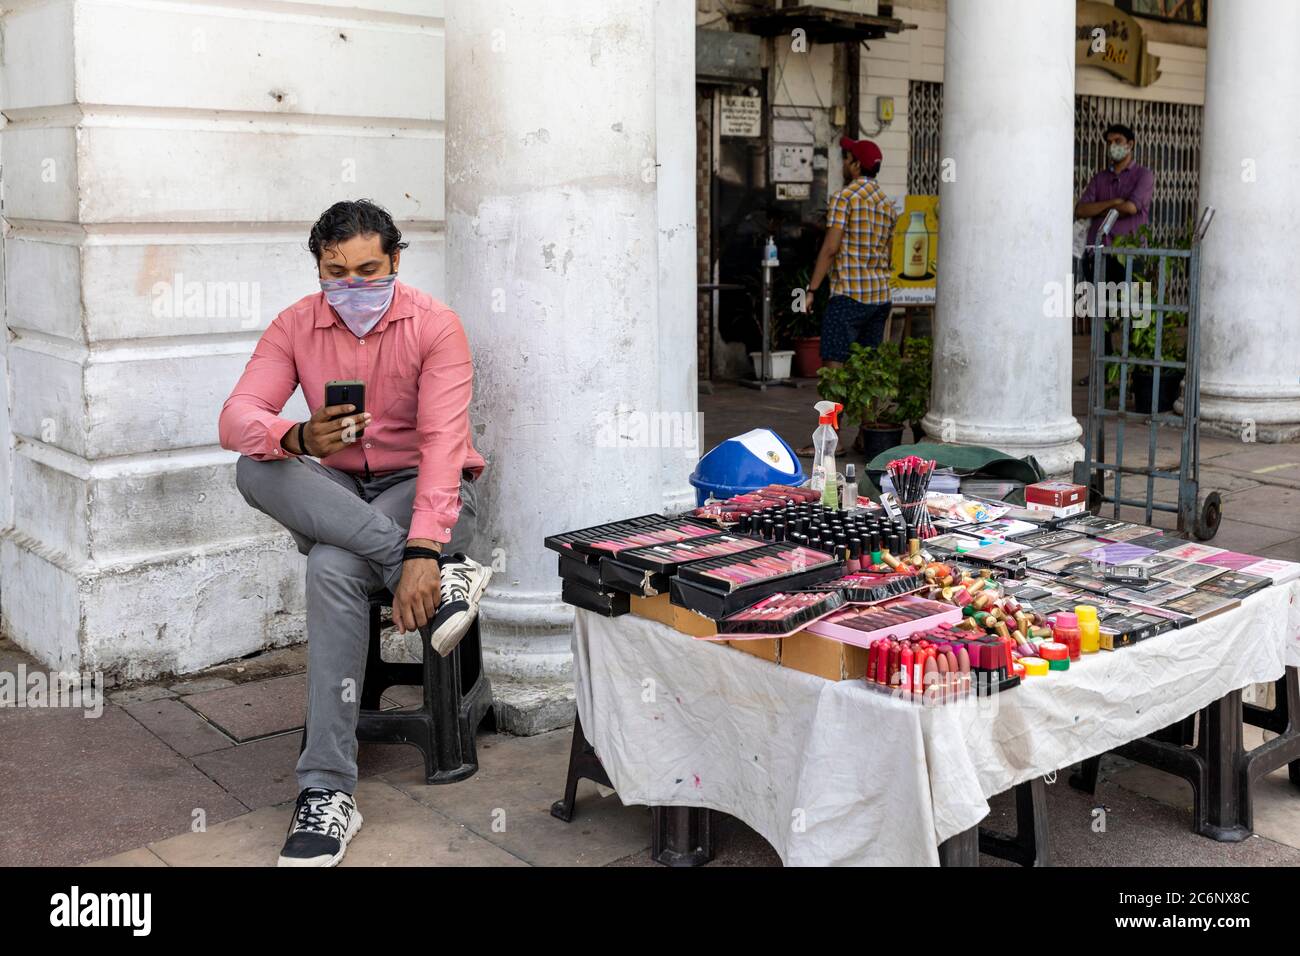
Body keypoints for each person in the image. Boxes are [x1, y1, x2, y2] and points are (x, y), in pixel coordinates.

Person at [218, 199, 490, 867]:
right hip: (339, 488)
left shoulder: (435, 326)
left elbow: (444, 446)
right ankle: (442, 581)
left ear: (396, 260)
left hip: (429, 492)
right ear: (318, 269)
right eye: (336, 272)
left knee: (331, 566)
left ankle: (326, 790)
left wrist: (427, 541)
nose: (353, 286)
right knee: (254, 469)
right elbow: (235, 416)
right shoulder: (295, 326)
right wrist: (294, 434)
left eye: (369, 269)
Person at [801, 136, 897, 455]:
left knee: (834, 370)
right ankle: (866, 437)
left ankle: (831, 440)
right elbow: (888, 253)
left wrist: (812, 289)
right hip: (879, 297)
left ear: (856, 165)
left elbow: (831, 247)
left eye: (846, 158)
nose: (844, 162)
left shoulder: (845, 197)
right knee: (866, 370)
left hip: (849, 296)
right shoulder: (886, 204)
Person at [1074, 122, 1155, 282]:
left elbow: (1131, 208)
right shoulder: (1099, 179)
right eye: (1109, 143)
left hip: (1131, 257)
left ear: (1130, 144)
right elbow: (1081, 210)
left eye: (1117, 141)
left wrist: (1098, 209)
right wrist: (1115, 202)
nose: (1112, 146)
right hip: (1098, 256)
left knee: (1133, 306)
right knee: (1097, 306)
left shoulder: (1143, 175)